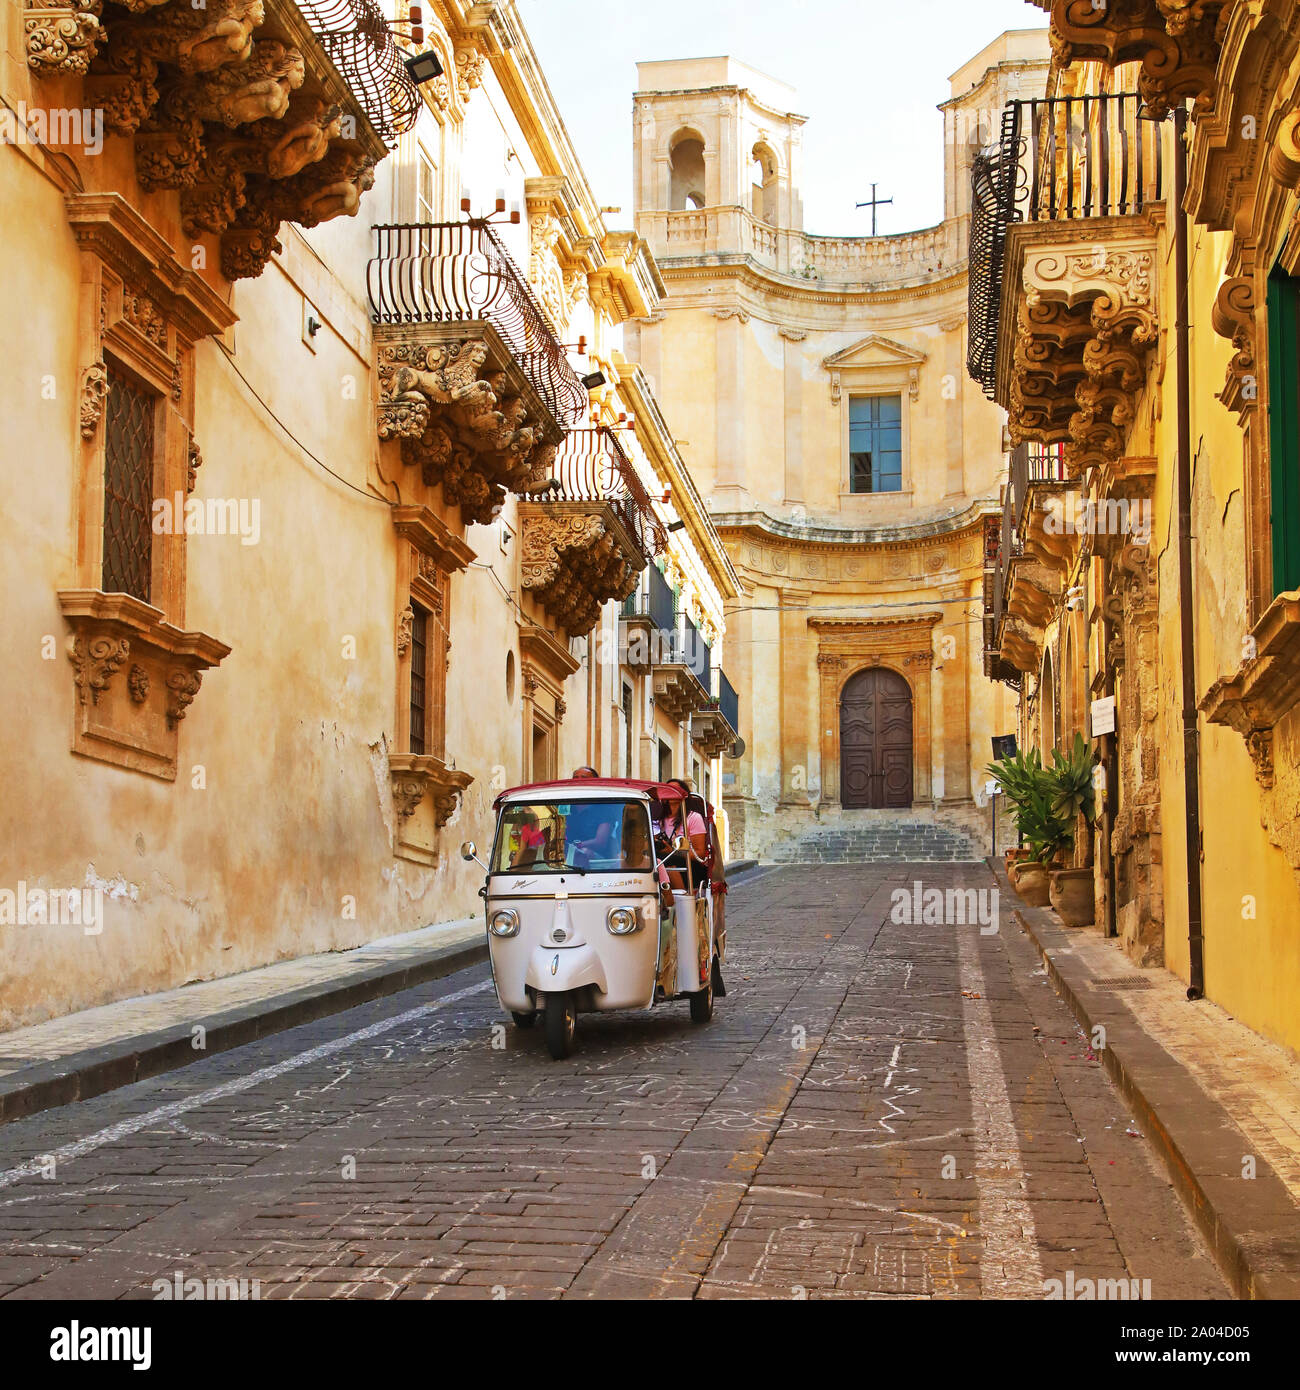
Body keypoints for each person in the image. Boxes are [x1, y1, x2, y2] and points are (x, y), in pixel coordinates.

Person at [655, 778, 709, 893]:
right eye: (667, 789)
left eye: (674, 789)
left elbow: (700, 853)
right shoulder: (659, 820)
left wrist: (674, 852)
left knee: (666, 863)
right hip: (663, 859)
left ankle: (683, 898)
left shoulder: (694, 818)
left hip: (690, 864)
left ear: (683, 794)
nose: (670, 792)